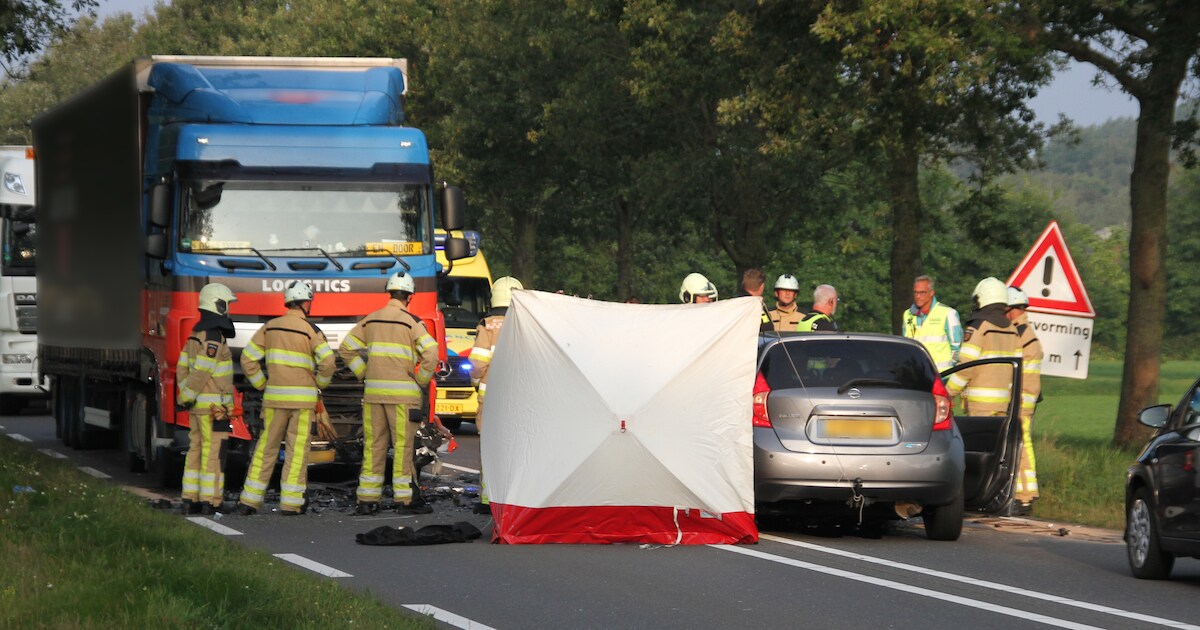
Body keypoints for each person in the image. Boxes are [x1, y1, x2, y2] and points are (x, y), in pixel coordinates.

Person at [339, 271, 440, 515]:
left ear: (389, 292)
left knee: (374, 447)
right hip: (403, 398)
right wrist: (420, 380)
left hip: (374, 395)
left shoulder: (371, 320)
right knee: (403, 448)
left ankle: (366, 500)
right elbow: (431, 353)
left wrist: (364, 374)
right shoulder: (411, 322)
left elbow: (346, 349)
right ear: (409, 297)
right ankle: (405, 500)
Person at [237, 281, 336, 516]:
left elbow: (247, 359)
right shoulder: (311, 330)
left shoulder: (270, 327)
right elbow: (328, 362)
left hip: (274, 401)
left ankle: (249, 501)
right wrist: (318, 385)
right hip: (302, 404)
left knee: (265, 448)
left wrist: (263, 384)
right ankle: (291, 503)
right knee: (296, 451)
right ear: (305, 302)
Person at [177, 283, 237, 515]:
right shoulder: (213, 337)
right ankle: (210, 501)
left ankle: (189, 498)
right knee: (214, 454)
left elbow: (183, 369)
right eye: (227, 305)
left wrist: (186, 398)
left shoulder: (195, 335)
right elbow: (202, 371)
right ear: (218, 306)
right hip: (214, 409)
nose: (229, 310)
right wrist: (189, 396)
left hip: (198, 408)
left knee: (195, 451)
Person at [469, 276, 523, 514]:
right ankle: (514, 498)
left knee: (489, 448)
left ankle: (486, 500)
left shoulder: (488, 325)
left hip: (490, 399)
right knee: (516, 447)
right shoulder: (525, 324)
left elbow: (478, 363)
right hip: (519, 398)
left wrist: (474, 381)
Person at [945, 277, 1022, 416]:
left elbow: (966, 367)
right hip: (1004, 405)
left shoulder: (979, 327)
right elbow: (1017, 367)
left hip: (980, 406)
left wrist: (948, 392)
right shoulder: (1013, 330)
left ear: (982, 299)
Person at [1006, 286, 1043, 511]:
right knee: (1023, 444)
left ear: (1010, 309)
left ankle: (1025, 496)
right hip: (1027, 398)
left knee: (1021, 445)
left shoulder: (1019, 335)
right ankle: (1025, 492)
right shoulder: (1027, 332)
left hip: (1020, 399)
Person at [902, 275, 964, 372]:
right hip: (917, 374)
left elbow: (957, 347)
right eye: (915, 292)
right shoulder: (907, 315)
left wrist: (950, 368)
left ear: (931, 293)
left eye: (922, 293)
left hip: (942, 376)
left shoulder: (947, 313)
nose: (918, 296)